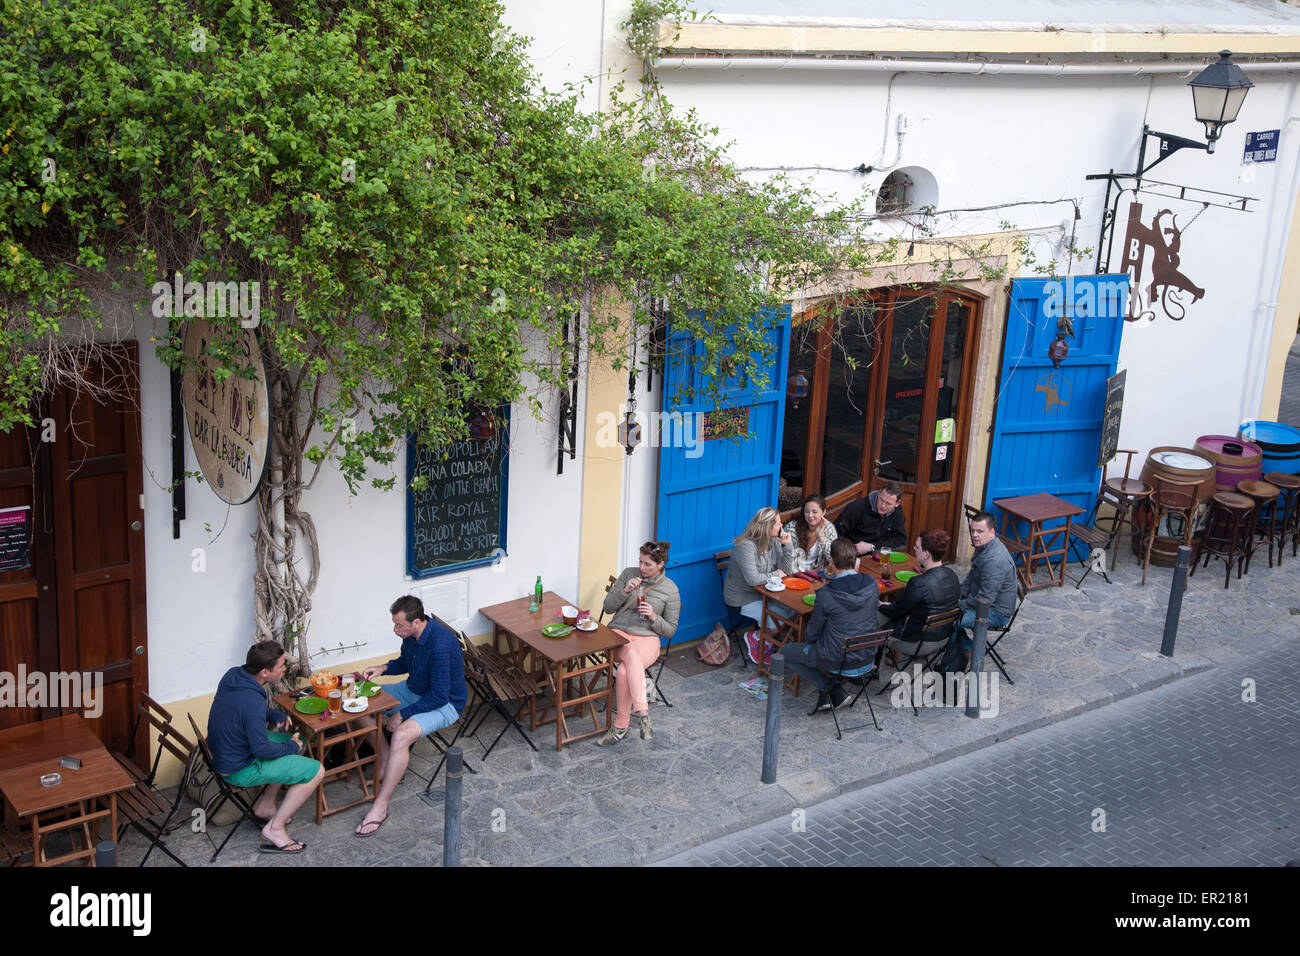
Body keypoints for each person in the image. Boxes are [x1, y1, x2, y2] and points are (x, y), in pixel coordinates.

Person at [354, 595, 468, 837]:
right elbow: (406, 662)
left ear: (416, 622)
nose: (395, 629)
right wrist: (383, 668)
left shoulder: (440, 645)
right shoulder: (412, 636)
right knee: (359, 702)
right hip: (414, 690)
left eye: (399, 625)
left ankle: (380, 806)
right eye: (395, 624)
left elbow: (438, 696)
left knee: (402, 735)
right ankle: (386, 760)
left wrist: (402, 715)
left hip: (445, 704)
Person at [207, 641, 324, 854]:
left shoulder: (234, 675)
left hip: (225, 752)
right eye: (280, 666)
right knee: (317, 770)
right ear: (264, 672)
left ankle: (266, 806)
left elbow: (246, 711)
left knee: (299, 741)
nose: (284, 669)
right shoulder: (252, 700)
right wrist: (290, 747)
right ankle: (275, 829)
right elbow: (261, 748)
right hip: (238, 768)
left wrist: (272, 715)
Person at [597, 541, 681, 746]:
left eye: (648, 564)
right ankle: (643, 714)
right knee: (630, 654)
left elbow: (670, 631)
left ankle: (621, 727)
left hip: (648, 639)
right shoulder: (628, 574)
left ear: (661, 564)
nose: (642, 568)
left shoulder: (670, 590)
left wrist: (653, 616)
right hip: (619, 633)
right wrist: (625, 590)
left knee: (625, 671)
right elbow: (607, 608)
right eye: (640, 562)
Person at [781, 537, 879, 714]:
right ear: (855, 560)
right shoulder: (872, 584)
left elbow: (812, 633)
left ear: (831, 561)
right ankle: (831, 690)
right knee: (829, 640)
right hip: (867, 657)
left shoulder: (827, 594)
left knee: (785, 652)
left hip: (838, 659)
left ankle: (830, 687)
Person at [941, 512, 1018, 672]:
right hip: (985, 603)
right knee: (947, 610)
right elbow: (971, 577)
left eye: (980, 531)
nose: (975, 535)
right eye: (973, 530)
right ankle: (966, 648)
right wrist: (957, 594)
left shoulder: (994, 561)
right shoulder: (983, 546)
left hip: (996, 612)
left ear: (992, 532)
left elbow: (984, 600)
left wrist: (959, 604)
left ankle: (961, 654)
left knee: (948, 620)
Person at [722, 505, 795, 661]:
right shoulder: (746, 546)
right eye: (778, 523)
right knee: (776, 617)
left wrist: (788, 546)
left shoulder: (774, 541)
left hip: (766, 593)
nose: (781, 526)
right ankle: (756, 637)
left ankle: (764, 639)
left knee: (792, 611)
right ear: (767, 526)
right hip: (742, 598)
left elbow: (787, 571)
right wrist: (777, 574)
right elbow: (753, 579)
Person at [878, 528, 961, 655]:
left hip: (916, 643)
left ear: (926, 554)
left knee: (872, 616)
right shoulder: (952, 575)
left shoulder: (918, 583)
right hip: (943, 638)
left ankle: (869, 666)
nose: (914, 549)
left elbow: (895, 611)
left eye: (917, 547)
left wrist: (880, 605)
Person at [835, 481, 907, 555]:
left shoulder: (897, 512)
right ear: (879, 493)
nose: (883, 505)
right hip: (853, 556)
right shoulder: (857, 507)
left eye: (888, 503)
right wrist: (850, 550)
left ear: (897, 504)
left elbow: (900, 542)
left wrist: (872, 547)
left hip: (879, 556)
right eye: (881, 500)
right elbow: (835, 533)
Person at [783, 494, 838, 572]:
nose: (810, 515)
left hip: (816, 574)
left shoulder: (829, 528)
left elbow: (835, 559)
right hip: (793, 574)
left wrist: (821, 537)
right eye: (806, 512)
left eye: (814, 512)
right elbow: (785, 559)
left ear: (824, 512)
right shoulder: (791, 529)